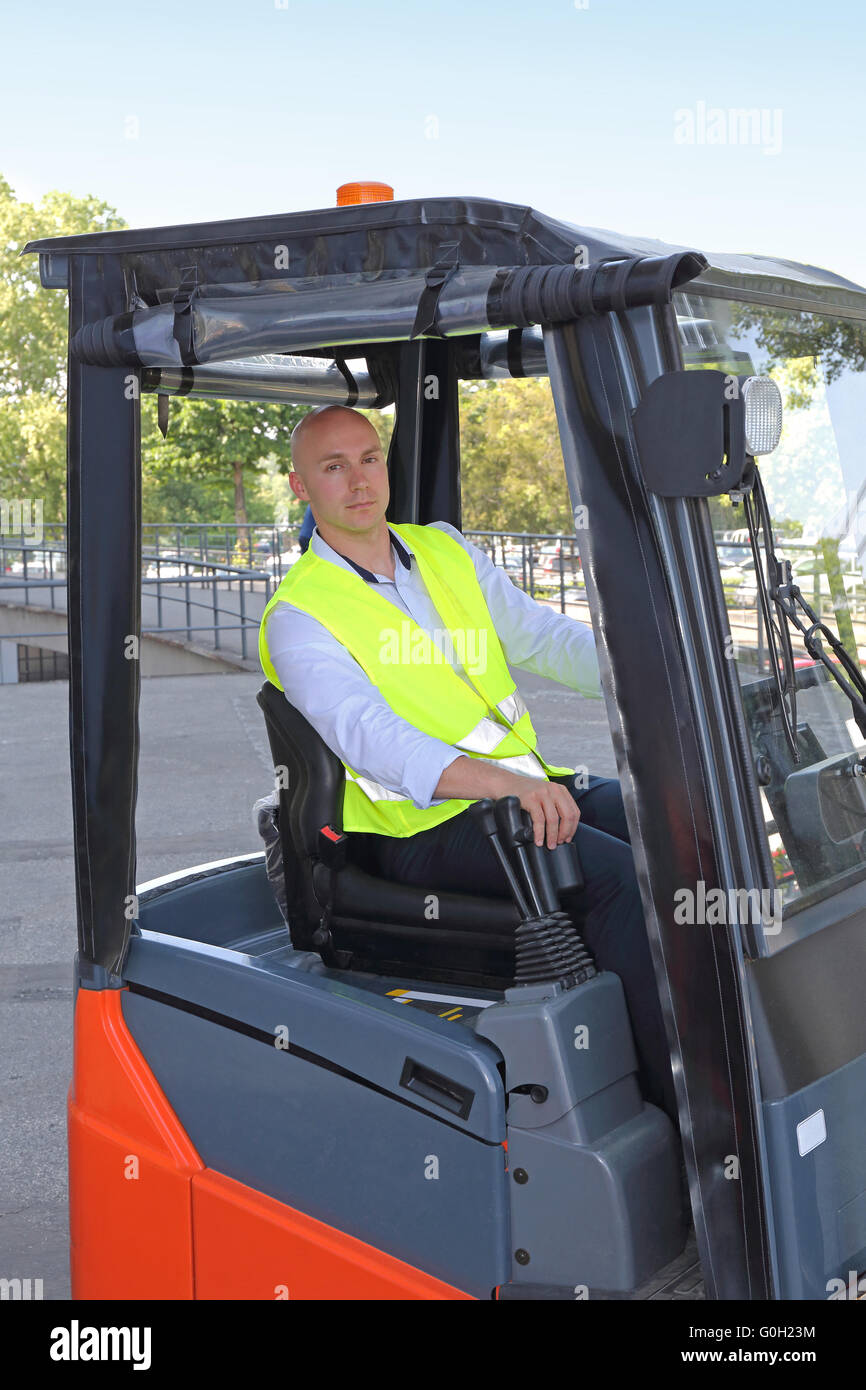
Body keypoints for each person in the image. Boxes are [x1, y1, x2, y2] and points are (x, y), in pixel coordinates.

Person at [259, 404, 677, 1124]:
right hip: (418, 825)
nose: (358, 481)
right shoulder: (299, 615)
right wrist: (504, 784)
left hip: (512, 792)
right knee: (613, 878)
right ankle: (678, 1098)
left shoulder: (442, 550)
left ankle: (722, 1029)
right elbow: (369, 736)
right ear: (301, 487)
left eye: (368, 459)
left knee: (668, 822)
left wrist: (656, 672)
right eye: (333, 467)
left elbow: (540, 635)